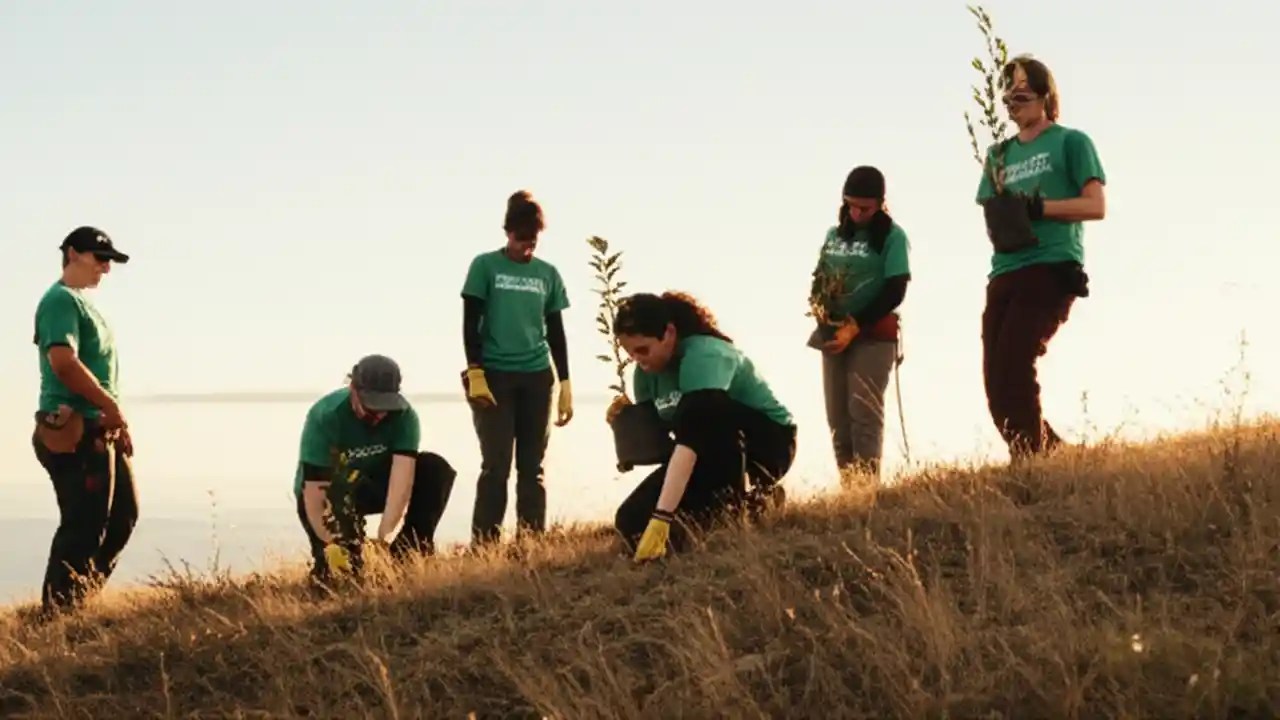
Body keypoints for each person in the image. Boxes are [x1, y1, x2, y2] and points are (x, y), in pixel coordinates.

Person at [974, 54, 1106, 460]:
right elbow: (990, 210)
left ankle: (1030, 459)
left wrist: (1041, 208)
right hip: (1006, 269)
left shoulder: (1071, 141)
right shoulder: (998, 156)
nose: (1015, 106)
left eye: (1023, 96)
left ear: (1045, 95)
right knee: (995, 380)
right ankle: (1054, 454)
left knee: (1016, 362)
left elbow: (1095, 206)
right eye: (1009, 100)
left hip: (1051, 265)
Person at [606, 291, 797, 562]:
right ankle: (746, 504)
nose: (640, 360)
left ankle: (743, 502)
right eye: (631, 354)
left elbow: (696, 433)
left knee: (705, 410)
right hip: (706, 453)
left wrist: (662, 516)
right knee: (630, 521)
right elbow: (667, 449)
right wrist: (627, 423)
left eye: (643, 350)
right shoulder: (645, 375)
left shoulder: (705, 355)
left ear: (669, 333)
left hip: (766, 443)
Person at [30, 226, 137, 619]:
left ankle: (78, 601)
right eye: (99, 258)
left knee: (124, 516)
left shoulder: (81, 302)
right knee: (83, 525)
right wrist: (110, 407)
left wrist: (116, 420)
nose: (106, 268)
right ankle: (56, 618)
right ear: (72, 254)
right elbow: (63, 362)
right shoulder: (59, 300)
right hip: (76, 431)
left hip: (101, 427)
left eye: (109, 261)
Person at [460, 190, 573, 547]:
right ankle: (485, 547)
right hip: (494, 375)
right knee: (496, 465)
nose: (526, 247)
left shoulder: (548, 274)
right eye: (520, 238)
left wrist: (566, 380)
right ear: (507, 231)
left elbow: (555, 329)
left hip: (537, 376)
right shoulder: (485, 266)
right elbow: (469, 321)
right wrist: (474, 369)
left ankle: (530, 542)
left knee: (532, 467)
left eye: (533, 241)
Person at [294, 354, 456, 582]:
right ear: (353, 389)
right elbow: (314, 492)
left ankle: (409, 552)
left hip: (373, 484)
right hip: (330, 493)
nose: (379, 416)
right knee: (341, 573)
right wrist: (331, 542)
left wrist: (383, 535)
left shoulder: (405, 417)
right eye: (371, 407)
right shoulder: (326, 416)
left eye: (385, 407)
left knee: (434, 468)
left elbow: (402, 481)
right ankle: (330, 565)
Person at [807, 165, 911, 485]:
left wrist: (857, 324)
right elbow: (820, 277)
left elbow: (896, 289)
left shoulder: (893, 237)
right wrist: (821, 310)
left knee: (863, 413)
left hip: (872, 335)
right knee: (837, 417)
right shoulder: (833, 234)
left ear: (880, 203)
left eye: (864, 207)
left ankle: (867, 489)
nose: (856, 213)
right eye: (850, 205)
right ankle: (850, 489)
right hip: (834, 331)